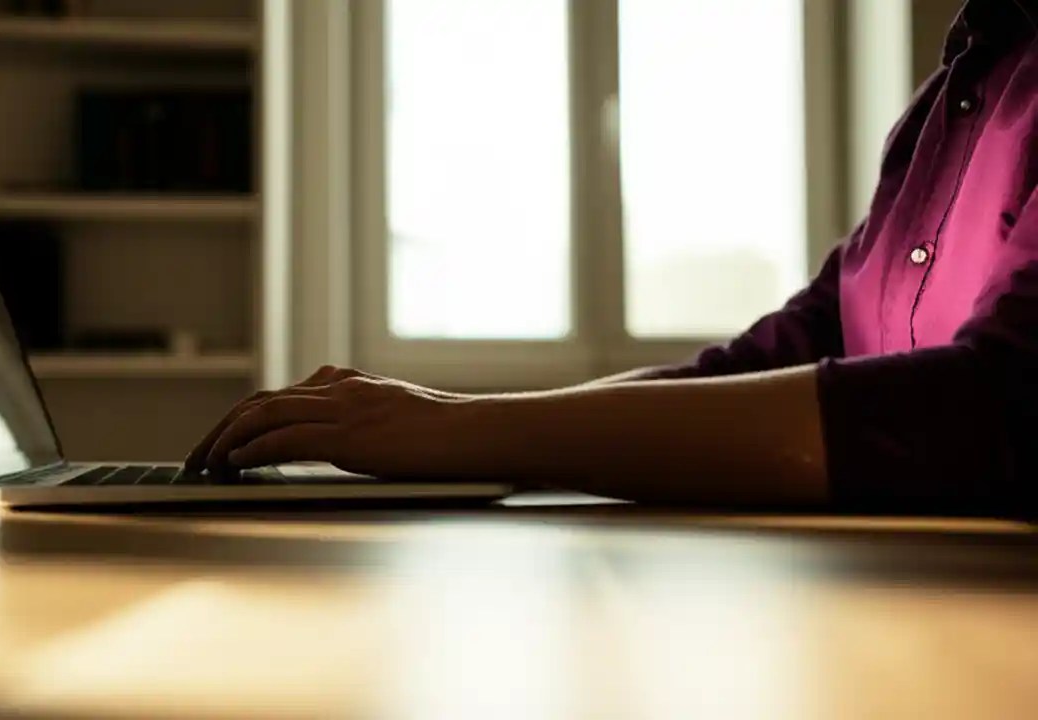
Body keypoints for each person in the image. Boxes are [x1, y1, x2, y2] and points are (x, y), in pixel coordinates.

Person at [188, 0, 1038, 516]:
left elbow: (988, 408)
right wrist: (448, 420)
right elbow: (791, 349)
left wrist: (459, 429)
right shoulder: (962, 86)